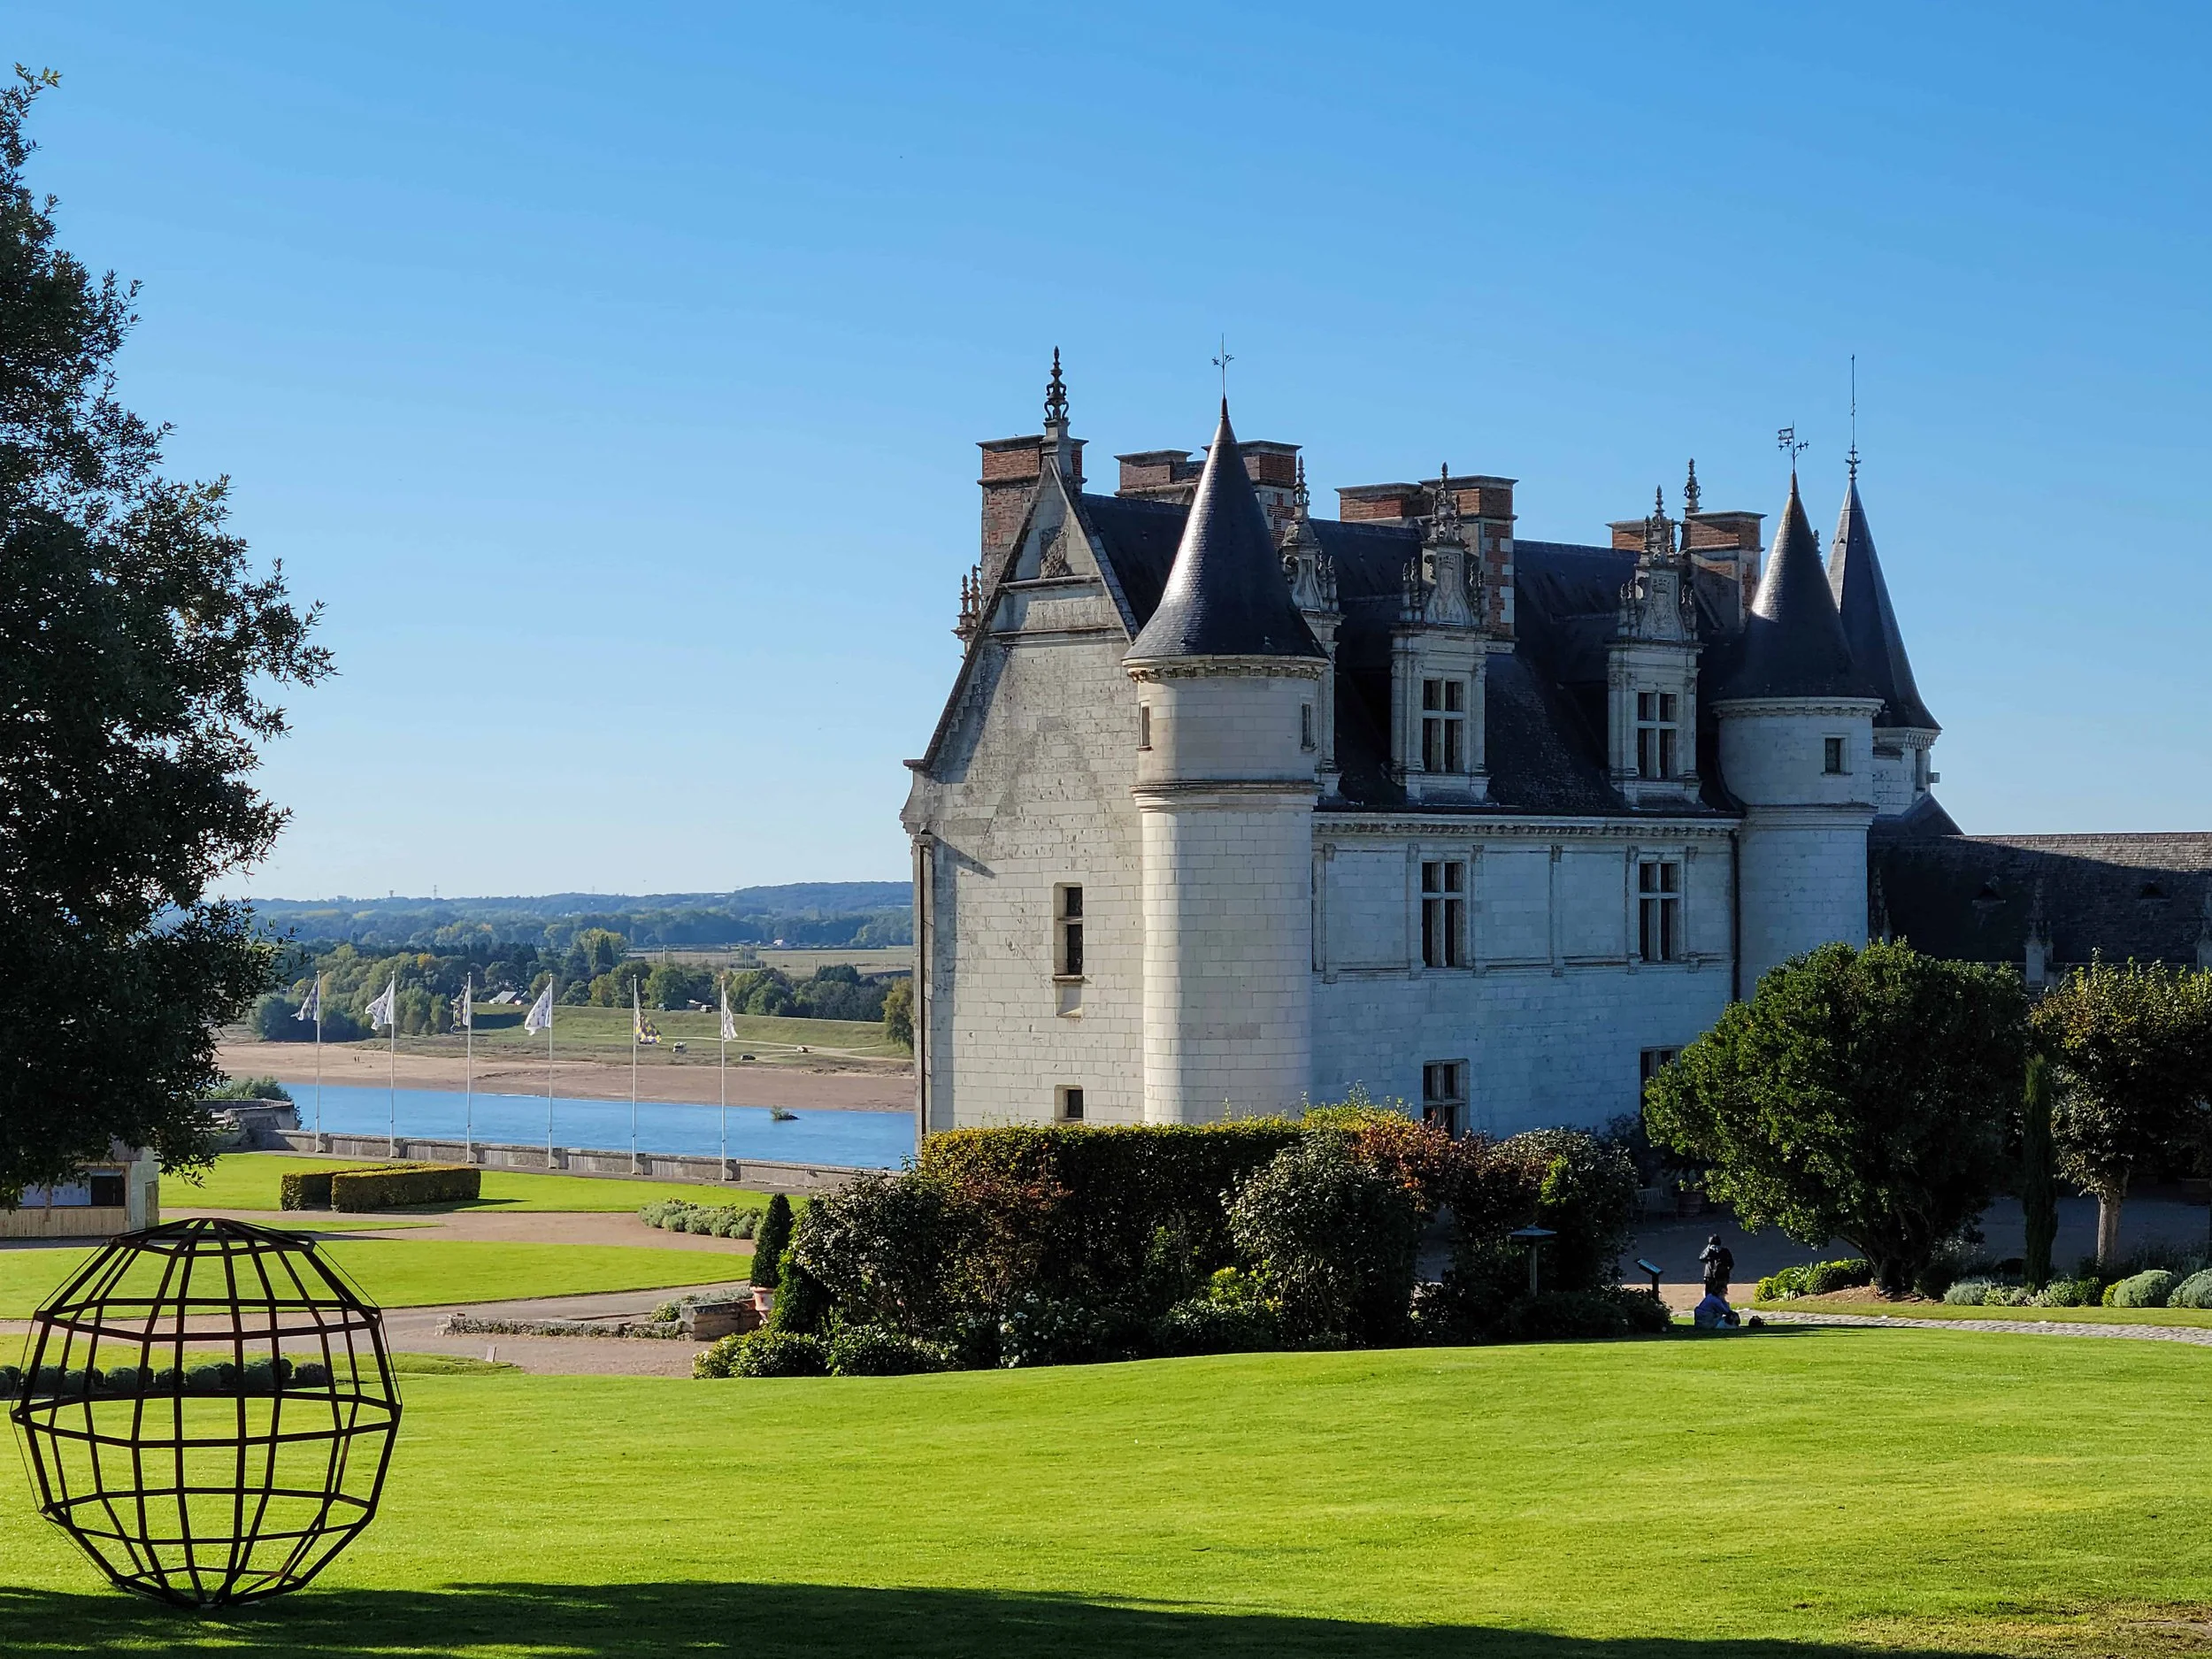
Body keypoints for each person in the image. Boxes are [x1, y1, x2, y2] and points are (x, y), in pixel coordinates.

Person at [1698, 1234, 1734, 1299]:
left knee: (1709, 1295)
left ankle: (1710, 1307)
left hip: (1709, 1276)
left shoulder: (1709, 1251)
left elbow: (1701, 1258)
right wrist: (1726, 1271)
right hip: (1722, 1277)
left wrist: (1708, 1248)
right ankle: (1721, 1307)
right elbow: (1731, 1264)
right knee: (1721, 1294)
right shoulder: (1725, 1251)